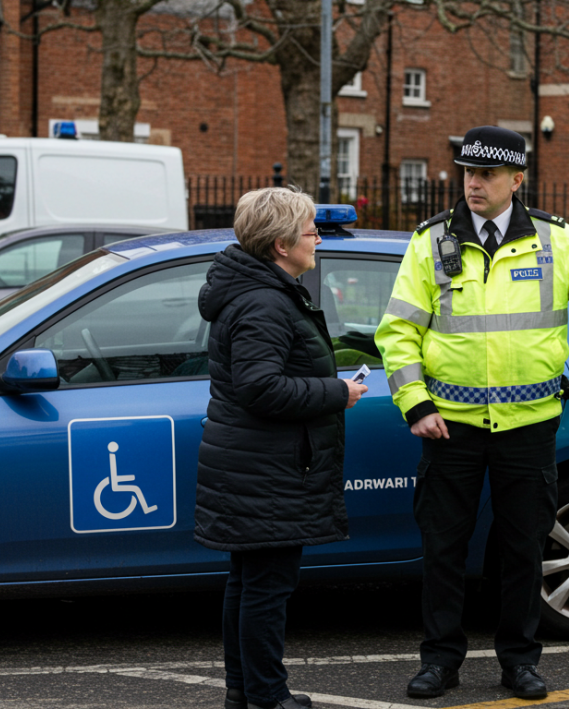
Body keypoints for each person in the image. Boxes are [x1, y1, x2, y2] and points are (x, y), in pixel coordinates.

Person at [374, 126, 569, 700]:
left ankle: (519, 661)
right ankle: (439, 661)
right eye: (468, 173)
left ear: (516, 180)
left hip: (528, 427)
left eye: (487, 174)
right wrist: (414, 402)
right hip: (451, 426)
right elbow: (398, 331)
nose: (473, 183)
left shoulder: (554, 240)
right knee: (444, 549)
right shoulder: (430, 243)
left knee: (524, 549)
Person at [195, 187, 368, 709]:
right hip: (266, 470)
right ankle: (267, 697)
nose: (317, 239)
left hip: (255, 464)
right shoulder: (265, 302)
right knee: (266, 589)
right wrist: (338, 392)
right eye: (310, 230)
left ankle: (244, 692)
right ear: (280, 245)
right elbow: (259, 386)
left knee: (248, 583)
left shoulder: (257, 291)